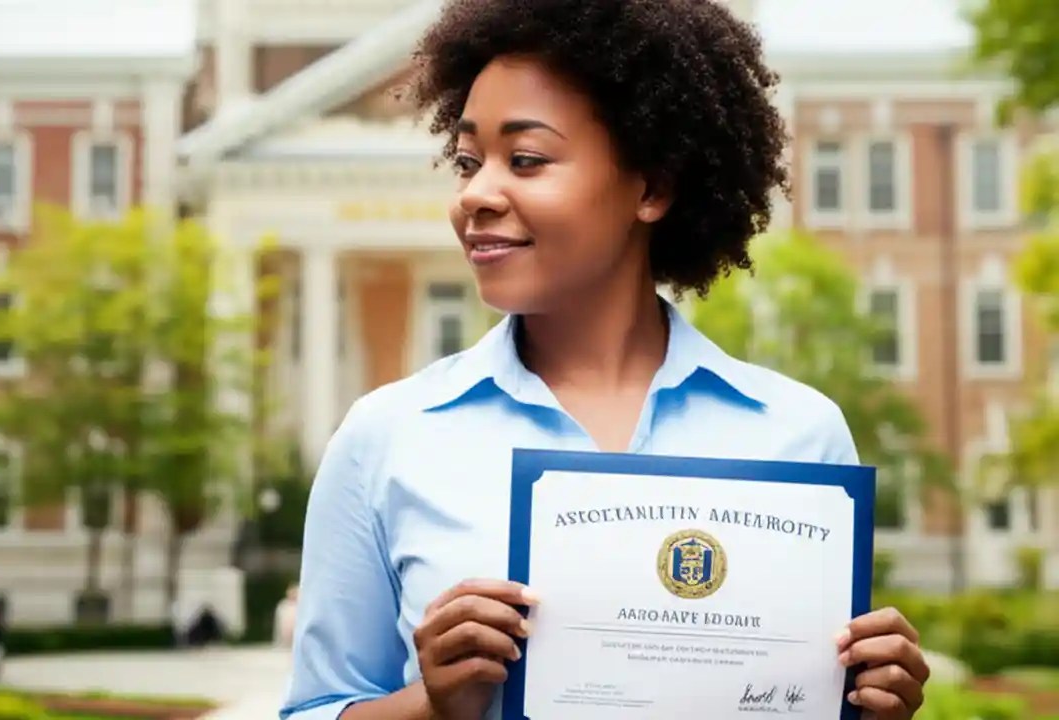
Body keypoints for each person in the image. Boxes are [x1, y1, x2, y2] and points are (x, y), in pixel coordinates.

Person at [280, 0, 931, 718]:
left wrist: (873, 706)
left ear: (651, 187)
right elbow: (317, 706)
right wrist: (432, 706)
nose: (476, 194)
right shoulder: (385, 439)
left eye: (525, 160)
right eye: (467, 162)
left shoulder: (800, 436)